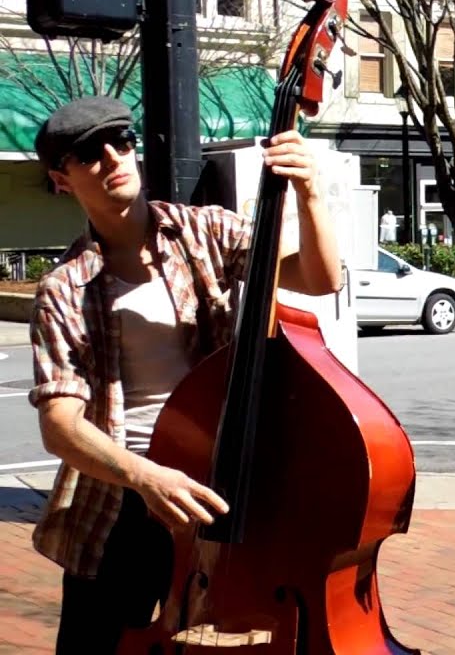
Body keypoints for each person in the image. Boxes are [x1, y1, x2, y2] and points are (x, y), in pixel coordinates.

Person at [27, 96, 343, 654]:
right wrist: (147, 478)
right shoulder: (64, 291)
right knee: (93, 644)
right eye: (87, 153)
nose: (112, 157)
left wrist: (309, 193)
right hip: (123, 493)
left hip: (221, 475)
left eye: (121, 141)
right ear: (61, 179)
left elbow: (318, 280)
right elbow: (60, 425)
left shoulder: (205, 233)